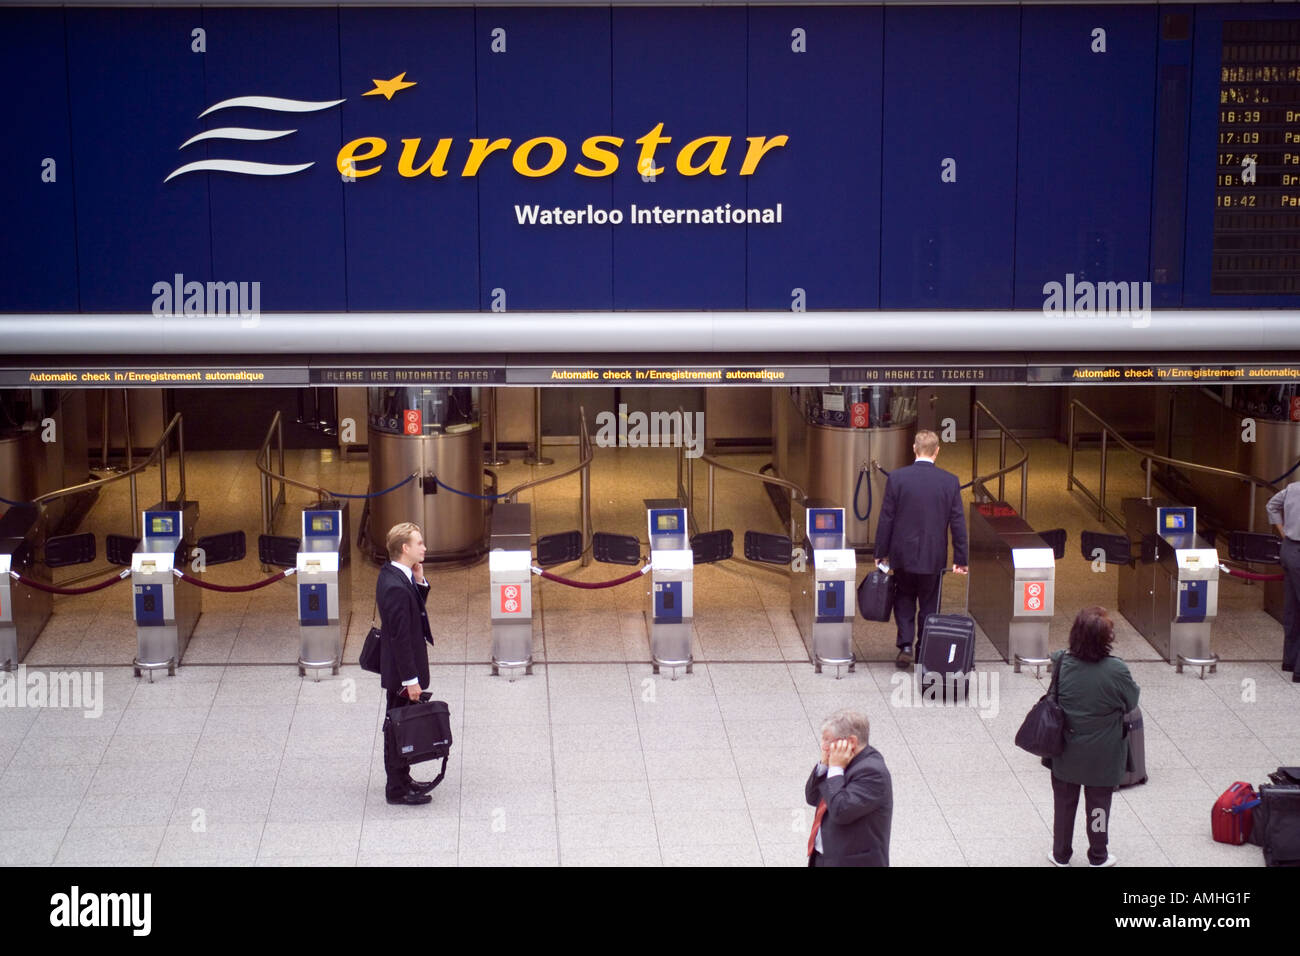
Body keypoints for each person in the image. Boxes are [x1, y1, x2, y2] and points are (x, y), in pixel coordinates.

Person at [1044, 606, 1140, 867]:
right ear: (1106, 639)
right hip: (1104, 753)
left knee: (1064, 804)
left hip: (1066, 748)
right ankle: (1098, 855)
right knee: (1098, 806)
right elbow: (1131, 702)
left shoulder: (1061, 662)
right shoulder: (1117, 670)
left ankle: (1061, 854)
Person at [873, 429, 969, 669]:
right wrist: (961, 558)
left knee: (904, 597)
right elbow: (958, 523)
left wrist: (880, 553)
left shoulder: (897, 478)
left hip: (902, 554)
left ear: (914, 449)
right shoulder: (949, 481)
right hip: (933, 556)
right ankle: (924, 648)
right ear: (937, 451)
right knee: (929, 603)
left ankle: (905, 645)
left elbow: (886, 519)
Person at [376, 521, 437, 806]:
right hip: (403, 673)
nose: (424, 547)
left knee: (402, 724)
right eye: (419, 543)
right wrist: (410, 680)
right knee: (399, 727)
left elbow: (411, 614)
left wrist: (420, 582)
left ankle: (403, 777)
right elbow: (401, 637)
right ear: (405, 548)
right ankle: (396, 788)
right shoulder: (395, 587)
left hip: (402, 671)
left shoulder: (396, 575)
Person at [804, 709, 893, 867]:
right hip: (823, 857)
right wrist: (824, 766)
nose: (823, 746)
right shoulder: (838, 762)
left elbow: (841, 810)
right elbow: (812, 797)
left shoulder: (872, 772)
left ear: (851, 742)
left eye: (828, 740)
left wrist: (835, 770)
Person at [1266, 478, 1300, 682]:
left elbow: (1271, 505)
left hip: (1289, 549)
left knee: (1293, 607)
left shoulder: (1293, 488)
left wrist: (1284, 531)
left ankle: (1289, 660)